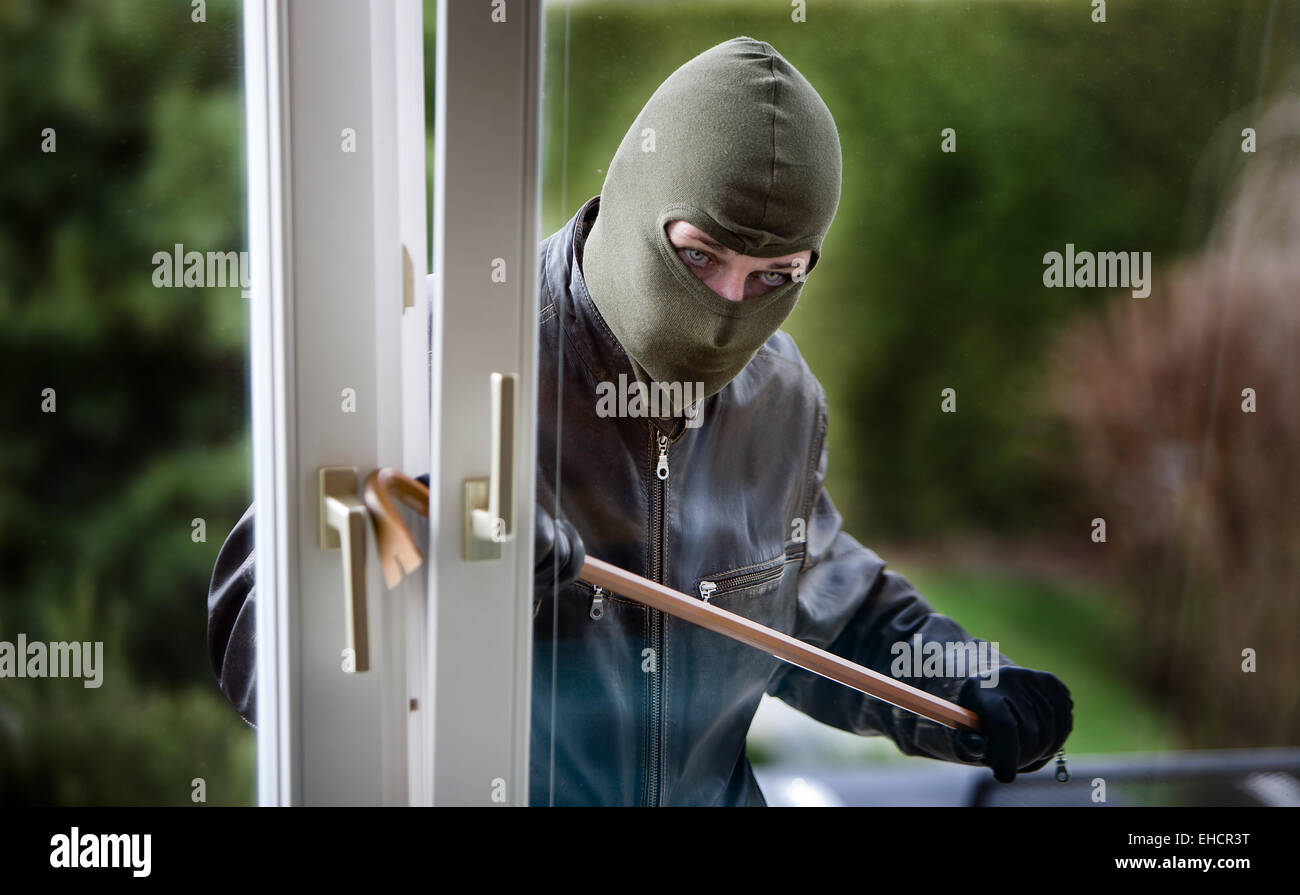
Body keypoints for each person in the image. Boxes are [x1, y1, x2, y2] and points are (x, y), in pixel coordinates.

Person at [209, 36, 1072, 806]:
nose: (727, 309)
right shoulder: (441, 347)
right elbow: (258, 643)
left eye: (775, 276)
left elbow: (824, 609)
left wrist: (966, 679)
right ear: (632, 201)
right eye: (699, 256)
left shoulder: (782, 399)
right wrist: (435, 570)